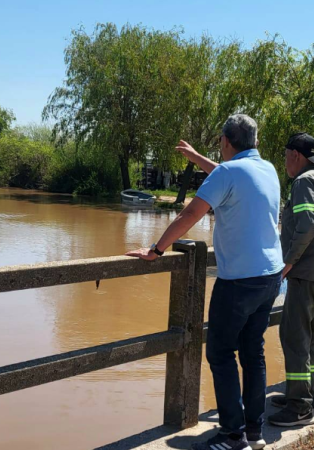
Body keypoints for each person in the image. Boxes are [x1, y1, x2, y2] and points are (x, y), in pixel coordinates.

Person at [127, 114, 284, 450]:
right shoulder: (267, 169)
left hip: (239, 281)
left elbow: (189, 214)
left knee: (220, 352)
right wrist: (198, 158)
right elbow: (230, 178)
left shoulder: (229, 172)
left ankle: (231, 435)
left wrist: (157, 249)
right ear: (253, 142)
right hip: (270, 276)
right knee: (253, 351)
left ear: (226, 142)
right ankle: (254, 432)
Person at [267, 133, 314, 428]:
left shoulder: (304, 181)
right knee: (309, 338)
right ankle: (304, 395)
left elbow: (308, 224)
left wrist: (288, 262)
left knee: (295, 338)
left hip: (306, 272)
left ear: (295, 155)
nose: (285, 163)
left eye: (285, 157)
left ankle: (299, 407)